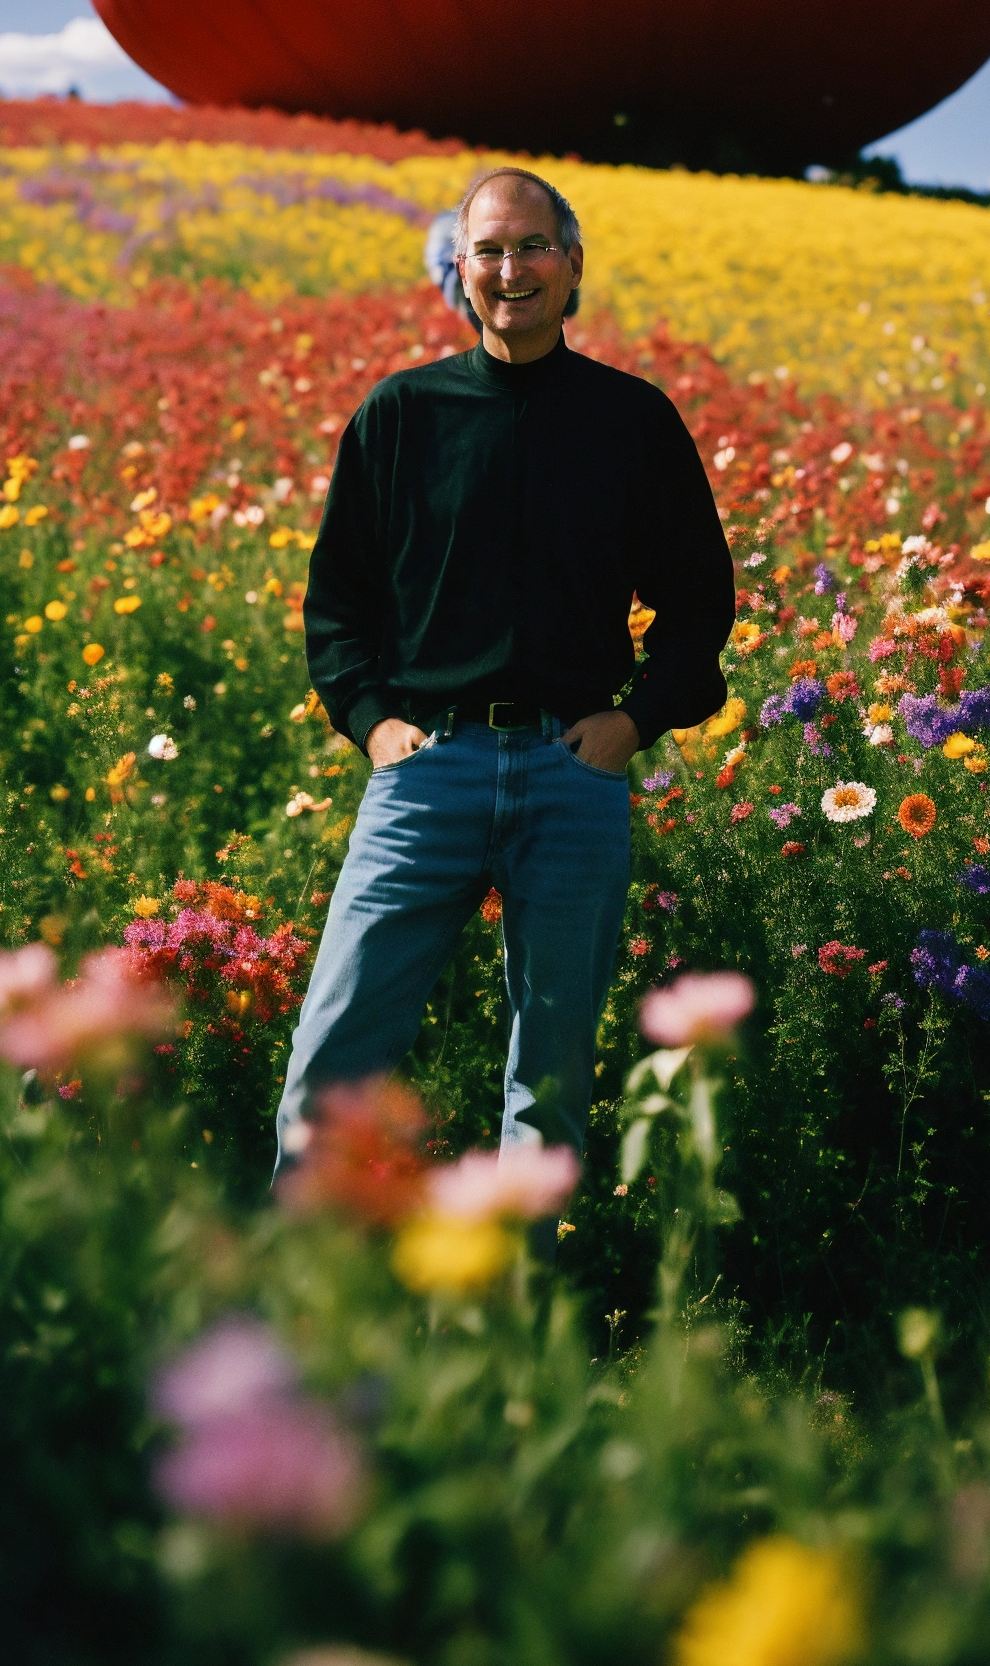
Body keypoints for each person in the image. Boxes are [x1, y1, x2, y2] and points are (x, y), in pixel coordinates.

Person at [274, 167, 734, 1176]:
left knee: (551, 1084)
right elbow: (336, 603)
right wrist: (370, 722)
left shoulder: (632, 422)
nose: (509, 268)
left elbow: (699, 605)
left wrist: (633, 722)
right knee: (332, 1062)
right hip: (421, 771)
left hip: (569, 776)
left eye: (531, 247)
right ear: (457, 269)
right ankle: (306, 1308)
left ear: (573, 269)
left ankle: (508, 1317)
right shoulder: (399, 416)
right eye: (487, 250)